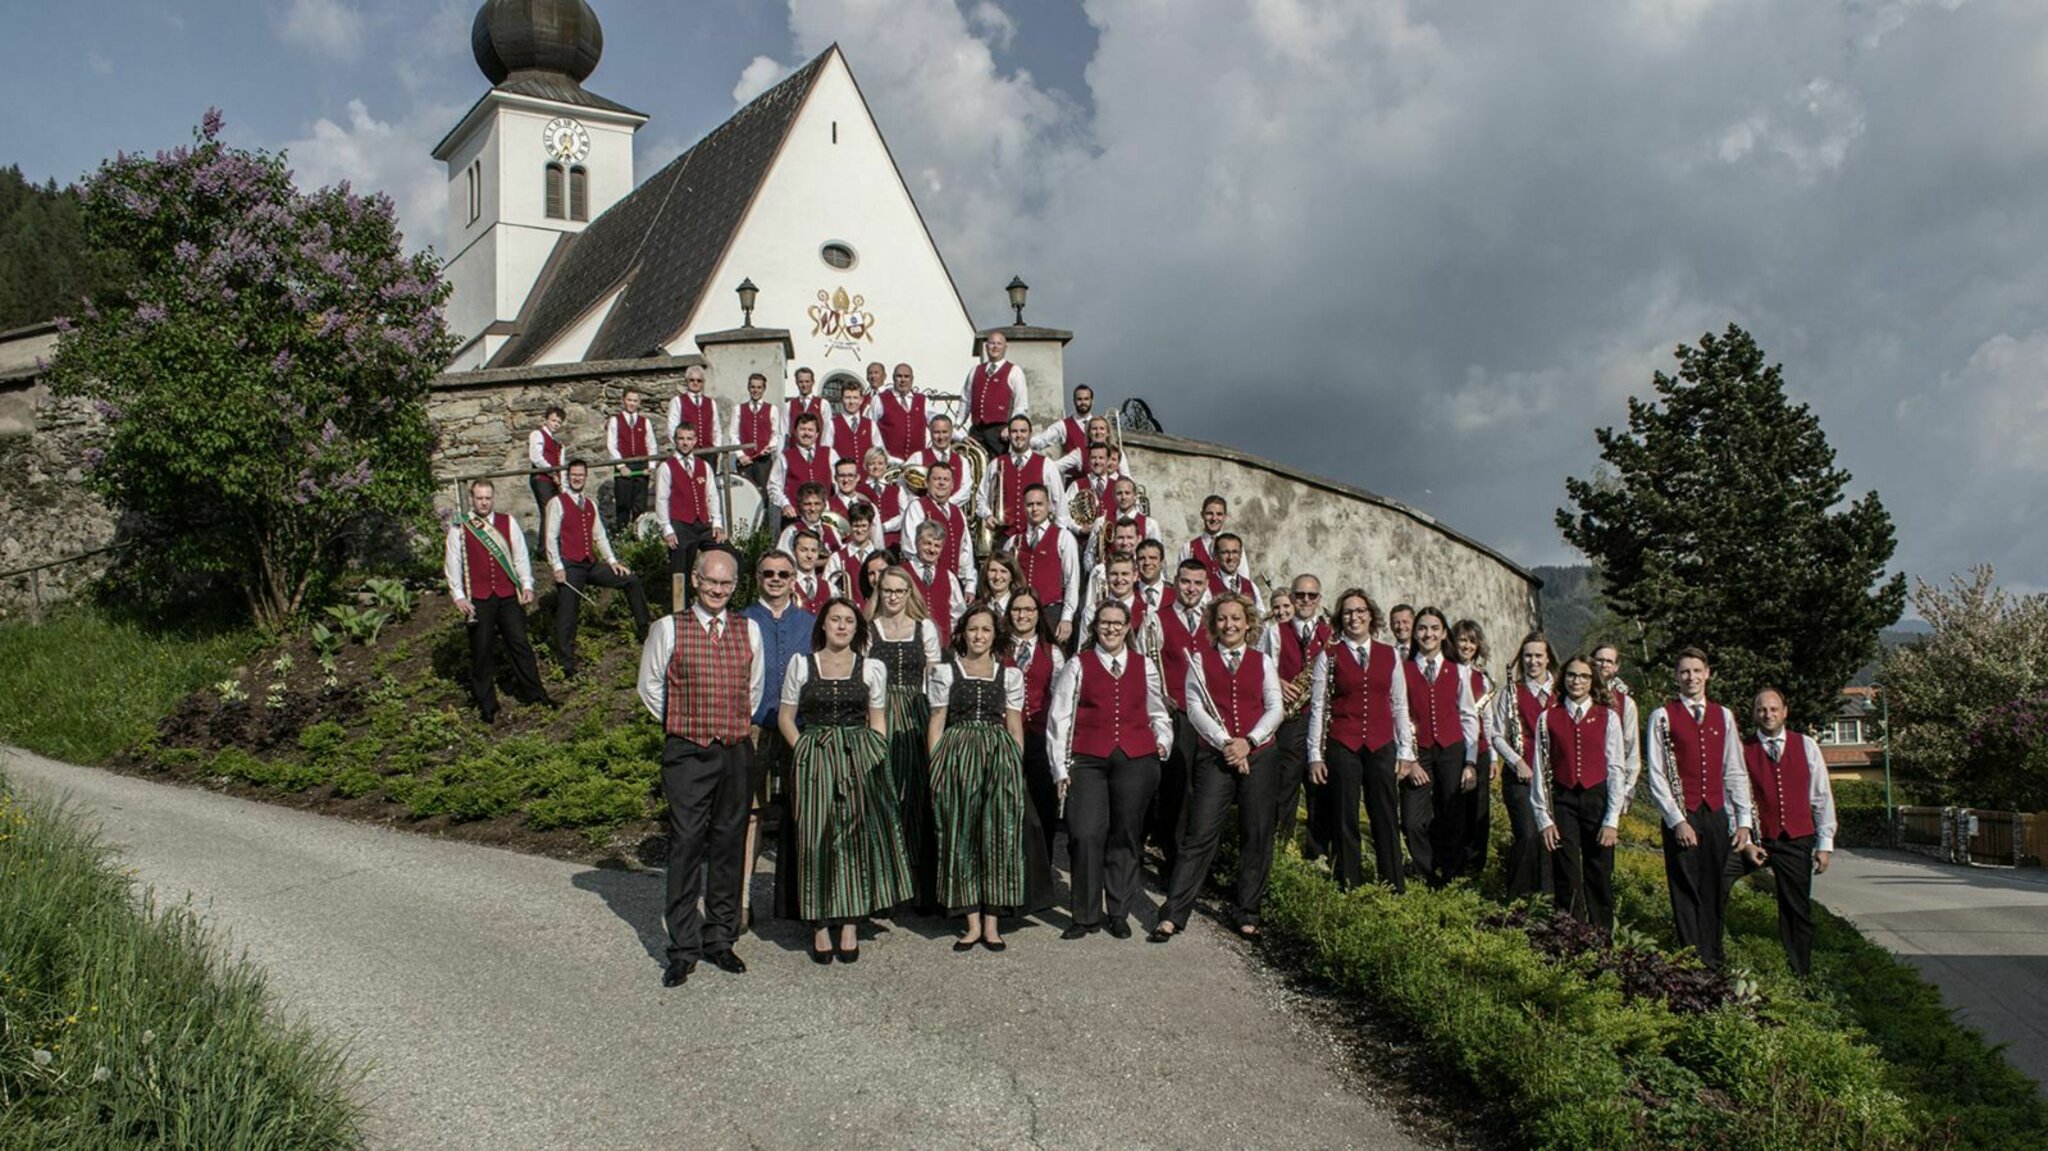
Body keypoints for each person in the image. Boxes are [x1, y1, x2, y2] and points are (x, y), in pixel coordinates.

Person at [636, 549, 761, 987]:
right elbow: (649, 686)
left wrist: (729, 726)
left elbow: (754, 686)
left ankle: (721, 939)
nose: (718, 590)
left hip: (734, 750)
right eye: (711, 581)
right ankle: (683, 947)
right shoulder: (668, 628)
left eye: (726, 584)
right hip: (687, 751)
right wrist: (682, 723)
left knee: (729, 844)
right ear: (695, 579)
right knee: (687, 844)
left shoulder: (749, 630)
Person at [777, 597, 912, 964]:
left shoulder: (871, 668)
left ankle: (851, 921)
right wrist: (803, 750)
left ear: (857, 628)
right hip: (815, 758)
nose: (841, 626)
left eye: (848, 621)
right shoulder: (801, 665)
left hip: (858, 756)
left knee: (852, 839)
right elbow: (787, 717)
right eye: (834, 619)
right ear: (822, 625)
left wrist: (874, 753)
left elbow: (878, 719)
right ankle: (820, 923)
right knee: (815, 837)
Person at [1152, 593, 1284, 943]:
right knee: (1199, 835)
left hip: (1259, 754)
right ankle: (1174, 913)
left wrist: (1248, 742)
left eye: (1236, 618)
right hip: (1215, 754)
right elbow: (1194, 709)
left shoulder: (1263, 661)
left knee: (1256, 835)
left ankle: (1247, 912)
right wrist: (1227, 742)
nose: (1229, 625)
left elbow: (1275, 708)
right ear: (1213, 624)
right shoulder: (1199, 660)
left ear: (1248, 623)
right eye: (1223, 619)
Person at [1047, 600, 1171, 939]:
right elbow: (1059, 718)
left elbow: (1158, 711)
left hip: (1136, 758)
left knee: (1125, 835)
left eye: (1118, 623)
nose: (1112, 628)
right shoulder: (1079, 664)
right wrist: (1060, 768)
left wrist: (1163, 740)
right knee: (1085, 833)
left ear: (1128, 627)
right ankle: (1084, 915)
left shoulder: (1143, 666)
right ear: (1095, 626)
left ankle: (1118, 912)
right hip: (1087, 758)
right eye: (1105, 623)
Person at [928, 603, 1045, 951]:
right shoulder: (946, 673)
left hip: (997, 758)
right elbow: (936, 723)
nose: (979, 636)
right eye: (973, 629)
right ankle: (971, 922)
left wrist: (1014, 766)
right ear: (962, 634)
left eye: (986, 630)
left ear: (996, 636)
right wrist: (935, 768)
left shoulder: (1009, 675)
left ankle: (992, 923)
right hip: (958, 757)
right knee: (961, 834)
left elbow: (1013, 726)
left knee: (997, 837)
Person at [1644, 647, 1755, 969]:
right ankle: (1691, 960)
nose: (1691, 677)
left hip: (1717, 813)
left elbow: (1734, 770)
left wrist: (1744, 822)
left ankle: (1713, 957)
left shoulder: (1724, 715)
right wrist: (1677, 821)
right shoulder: (1662, 716)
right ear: (1676, 677)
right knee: (1685, 887)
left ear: (1708, 674)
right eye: (1684, 672)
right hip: (1683, 813)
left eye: (1696, 671)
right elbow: (1657, 774)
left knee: (1715, 887)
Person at [1306, 589, 1414, 891]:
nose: (1354, 617)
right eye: (1348, 612)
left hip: (1381, 744)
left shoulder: (1389, 654)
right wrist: (1315, 753)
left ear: (1371, 615)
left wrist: (1406, 751)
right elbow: (1319, 706)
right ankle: (1348, 885)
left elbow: (1399, 704)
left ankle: (1393, 886)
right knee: (1345, 816)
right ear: (1341, 619)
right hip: (1344, 743)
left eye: (1360, 611)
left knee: (1385, 815)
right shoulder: (1329, 656)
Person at [1725, 688, 1837, 976]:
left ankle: (1800, 971)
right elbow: (1733, 797)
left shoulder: (1807, 745)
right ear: (1754, 714)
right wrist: (1747, 842)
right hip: (1757, 839)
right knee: (1715, 877)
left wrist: (1824, 844)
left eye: (1774, 709)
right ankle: (1715, 951)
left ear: (1785, 711)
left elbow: (1821, 796)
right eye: (1762, 709)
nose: (1768, 714)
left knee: (1796, 909)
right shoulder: (1742, 749)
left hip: (1796, 840)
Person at [741, 549, 815, 929]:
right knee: (751, 814)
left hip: (798, 726)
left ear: (793, 579)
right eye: (768, 573)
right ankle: (743, 899)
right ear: (758, 577)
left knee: (805, 811)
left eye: (783, 574)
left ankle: (805, 898)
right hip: (753, 725)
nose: (775, 579)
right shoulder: (742, 621)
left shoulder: (809, 623)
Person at [1529, 655, 1626, 932]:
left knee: (1599, 872)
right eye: (1572, 675)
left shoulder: (1608, 717)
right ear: (1563, 678)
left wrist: (1612, 819)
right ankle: (1570, 936)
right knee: (1566, 872)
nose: (1577, 681)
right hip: (1563, 799)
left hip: (1597, 799)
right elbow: (1540, 767)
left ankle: (1601, 939)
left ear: (1592, 680)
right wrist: (1544, 819)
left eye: (1584, 676)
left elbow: (1616, 767)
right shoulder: (1549, 717)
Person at [868, 565, 944, 911]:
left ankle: (915, 879)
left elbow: (933, 674)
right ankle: (885, 880)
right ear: (879, 593)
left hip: (915, 711)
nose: (894, 597)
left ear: (909, 593)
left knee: (915, 793)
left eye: (900, 591)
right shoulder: (869, 630)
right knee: (884, 794)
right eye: (888, 591)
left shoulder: (923, 627)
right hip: (881, 711)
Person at [444, 480, 553, 723]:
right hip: (479, 598)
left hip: (506, 595)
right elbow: (453, 563)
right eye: (480, 498)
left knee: (520, 645)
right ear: (472, 499)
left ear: (493, 498)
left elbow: (520, 555)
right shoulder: (460, 527)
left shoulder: (508, 522)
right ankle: (487, 705)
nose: (484, 502)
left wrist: (526, 584)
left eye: (488, 498)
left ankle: (537, 695)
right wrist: (459, 595)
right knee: (481, 652)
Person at [545, 459, 650, 678]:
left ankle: (644, 630)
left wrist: (612, 561)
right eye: (574, 475)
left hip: (590, 563)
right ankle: (567, 664)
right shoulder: (558, 503)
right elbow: (551, 537)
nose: (577, 478)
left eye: (581, 475)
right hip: (570, 565)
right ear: (567, 476)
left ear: (585, 477)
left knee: (630, 580)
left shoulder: (590, 504)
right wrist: (557, 566)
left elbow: (599, 535)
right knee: (567, 613)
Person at [1401, 607, 1480, 890]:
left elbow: (1469, 716)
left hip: (1452, 748)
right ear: (1415, 633)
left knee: (1452, 815)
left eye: (1434, 628)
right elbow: (1398, 714)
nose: (1428, 634)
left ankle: (1448, 876)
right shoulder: (1403, 669)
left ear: (1444, 633)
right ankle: (1425, 873)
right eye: (1422, 628)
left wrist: (1470, 762)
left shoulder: (1459, 671)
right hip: (1418, 751)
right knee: (1411, 820)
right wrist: (1409, 759)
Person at [1150, 559, 1212, 882]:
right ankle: (1173, 861)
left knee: (1204, 790)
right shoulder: (1157, 620)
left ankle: (1196, 862)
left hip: (1210, 719)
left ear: (1205, 587)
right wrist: (1162, 698)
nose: (1191, 589)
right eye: (1186, 582)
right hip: (1177, 715)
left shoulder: (1212, 621)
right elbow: (1149, 667)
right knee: (1178, 790)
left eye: (1197, 584)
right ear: (1176, 583)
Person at [1487, 632, 1559, 900]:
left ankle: (1550, 900)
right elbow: (1496, 734)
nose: (1533, 661)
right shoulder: (1511, 692)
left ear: (1547, 658)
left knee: (1551, 839)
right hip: (1521, 776)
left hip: (1554, 780)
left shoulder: (1561, 691)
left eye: (1538, 655)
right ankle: (1519, 901)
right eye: (1528, 656)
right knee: (1528, 835)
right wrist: (1516, 762)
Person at [1268, 574, 1330, 857]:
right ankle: (1279, 850)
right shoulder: (1275, 632)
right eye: (1300, 595)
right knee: (1285, 786)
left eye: (1312, 596)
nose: (1306, 600)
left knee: (1319, 790)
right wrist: (1278, 683)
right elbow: (1260, 667)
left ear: (1319, 599)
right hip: (1290, 718)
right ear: (1292, 598)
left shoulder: (1330, 635)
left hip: (1321, 720)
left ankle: (1316, 855)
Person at [1007, 589, 1066, 878]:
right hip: (1006, 735)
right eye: (1017, 609)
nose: (1023, 615)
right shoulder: (999, 648)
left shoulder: (1051, 652)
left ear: (1038, 614)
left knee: (1043, 805)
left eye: (1029, 610)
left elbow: (1060, 698)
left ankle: (1041, 871)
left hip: (1040, 736)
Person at [654, 422, 727, 595]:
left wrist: (717, 523)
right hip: (680, 524)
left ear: (695, 440)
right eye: (681, 439)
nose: (685, 443)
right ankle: (680, 611)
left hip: (702, 524)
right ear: (675, 441)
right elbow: (662, 499)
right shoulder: (666, 467)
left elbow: (712, 496)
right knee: (680, 571)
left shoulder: (704, 466)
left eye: (689, 439)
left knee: (731, 553)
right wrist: (667, 528)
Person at [1004, 483, 1079, 647]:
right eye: (1030, 505)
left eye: (1039, 504)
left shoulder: (1064, 538)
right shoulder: (1013, 542)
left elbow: (1071, 581)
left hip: (1051, 613)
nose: (1034, 509)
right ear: (1024, 508)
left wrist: (1067, 618)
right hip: (1020, 615)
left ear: (1049, 506)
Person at [1452, 619, 1495, 878]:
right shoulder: (1444, 671)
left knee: (1477, 809)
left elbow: (1487, 721)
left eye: (1471, 641)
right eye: (1462, 640)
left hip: (1478, 749)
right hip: (1451, 748)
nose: (1466, 645)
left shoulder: (1482, 680)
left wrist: (1492, 757)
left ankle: (1474, 866)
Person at [899, 461, 976, 602]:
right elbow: (909, 548)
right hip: (924, 581)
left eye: (946, 480)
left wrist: (969, 584)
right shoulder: (917, 507)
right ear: (927, 483)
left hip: (953, 585)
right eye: (936, 479)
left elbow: (965, 551)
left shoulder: (958, 512)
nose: (941, 483)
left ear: (952, 485)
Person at [980, 415, 1063, 546]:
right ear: (1009, 435)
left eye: (1023, 431)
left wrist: (1058, 536)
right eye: (1014, 431)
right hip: (1003, 537)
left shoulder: (1047, 465)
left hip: (1037, 538)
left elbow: (1059, 503)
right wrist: (987, 515)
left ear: (1030, 434)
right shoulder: (996, 464)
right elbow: (981, 497)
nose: (1019, 435)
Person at [1590, 643, 1644, 814]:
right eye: (1599, 660)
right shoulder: (1577, 697)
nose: (1604, 664)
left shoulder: (1626, 703)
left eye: (1609, 661)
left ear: (1616, 667)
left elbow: (1632, 747)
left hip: (1611, 782)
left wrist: (1627, 787)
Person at [963, 330, 1028, 456]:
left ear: (1005, 347)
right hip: (976, 430)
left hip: (998, 431)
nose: (995, 347)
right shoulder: (975, 371)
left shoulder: (1014, 371)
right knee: (974, 465)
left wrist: (1010, 427)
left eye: (999, 343)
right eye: (992, 343)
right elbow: (965, 400)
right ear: (986, 346)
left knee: (999, 466)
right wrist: (957, 425)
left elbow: (1021, 404)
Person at [904, 519, 967, 646]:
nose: (932, 550)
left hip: (942, 647)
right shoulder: (901, 573)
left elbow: (958, 614)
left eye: (937, 546)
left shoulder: (949, 577)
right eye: (928, 544)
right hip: (909, 645)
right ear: (917, 543)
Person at [769, 412, 834, 522]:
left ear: (817, 433)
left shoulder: (830, 454)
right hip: (796, 517)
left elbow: (838, 483)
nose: (806, 433)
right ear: (795, 432)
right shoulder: (784, 457)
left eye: (810, 430)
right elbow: (773, 487)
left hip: (825, 517)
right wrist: (785, 505)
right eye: (802, 429)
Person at [606, 387, 655, 527]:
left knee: (640, 507)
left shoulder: (645, 422)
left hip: (641, 467)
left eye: (635, 400)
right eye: (629, 400)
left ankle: (639, 539)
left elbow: (651, 445)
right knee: (623, 506)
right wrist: (621, 466)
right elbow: (611, 445)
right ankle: (623, 541)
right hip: (623, 467)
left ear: (639, 402)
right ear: (623, 401)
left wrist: (650, 466)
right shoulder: (615, 421)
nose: (632, 403)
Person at [728, 372, 782, 494]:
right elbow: (733, 434)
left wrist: (769, 448)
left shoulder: (772, 409)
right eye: (753, 387)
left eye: (759, 387)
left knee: (763, 491)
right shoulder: (738, 409)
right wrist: (740, 455)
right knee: (745, 492)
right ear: (748, 388)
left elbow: (776, 434)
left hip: (764, 461)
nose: (755, 390)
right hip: (745, 460)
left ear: (764, 389)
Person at [1181, 495, 1253, 587]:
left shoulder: (1236, 547)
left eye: (1219, 514)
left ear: (1225, 517)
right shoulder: (1189, 548)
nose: (1214, 518)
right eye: (1209, 513)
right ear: (1202, 515)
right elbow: (1182, 581)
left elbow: (1244, 579)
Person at [823, 504, 884, 608]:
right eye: (856, 526)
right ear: (850, 526)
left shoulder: (879, 557)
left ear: (870, 527)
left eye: (863, 526)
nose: (859, 530)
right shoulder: (838, 557)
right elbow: (827, 587)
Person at [527, 406, 567, 544]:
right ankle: (544, 549)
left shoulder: (559, 444)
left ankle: (553, 546)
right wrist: (551, 472)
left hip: (554, 481)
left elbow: (562, 467)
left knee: (556, 513)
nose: (555, 424)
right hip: (541, 479)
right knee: (548, 512)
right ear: (546, 420)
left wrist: (563, 484)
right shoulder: (537, 434)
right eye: (553, 420)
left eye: (559, 422)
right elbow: (536, 457)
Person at [873, 362, 928, 462]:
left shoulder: (923, 401)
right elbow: (870, 429)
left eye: (906, 376)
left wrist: (961, 437)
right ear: (893, 378)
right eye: (899, 376)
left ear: (912, 379)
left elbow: (940, 422)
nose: (903, 380)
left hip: (917, 464)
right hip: (888, 463)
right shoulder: (880, 399)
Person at [1029, 382, 1094, 458]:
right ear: (1074, 401)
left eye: (1086, 399)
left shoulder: (1100, 426)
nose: (1083, 402)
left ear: (1092, 401)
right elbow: (1041, 440)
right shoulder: (1063, 426)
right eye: (1079, 399)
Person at [1208, 534, 1265, 613]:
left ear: (1240, 554)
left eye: (1235, 552)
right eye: (1225, 552)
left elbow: (1261, 618)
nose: (1230, 557)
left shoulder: (1251, 586)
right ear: (1216, 555)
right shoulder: (1207, 586)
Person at [666, 368, 719, 449]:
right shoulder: (677, 401)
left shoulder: (711, 403)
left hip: (709, 451)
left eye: (699, 380)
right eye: (692, 380)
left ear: (703, 383)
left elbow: (716, 429)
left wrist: (717, 448)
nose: (695, 383)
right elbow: (672, 428)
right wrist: (681, 448)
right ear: (687, 381)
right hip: (687, 452)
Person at [829, 383, 878, 469]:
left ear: (861, 400)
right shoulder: (831, 424)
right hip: (843, 479)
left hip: (866, 478)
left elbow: (879, 451)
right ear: (841, 399)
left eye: (855, 398)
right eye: (847, 398)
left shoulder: (870, 424)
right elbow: (826, 454)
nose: (851, 402)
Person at [789, 530, 832, 616]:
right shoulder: (786, 585)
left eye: (813, 551)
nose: (809, 556)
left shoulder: (831, 588)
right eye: (803, 550)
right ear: (794, 552)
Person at [975, 551, 1023, 619]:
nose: (997, 577)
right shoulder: (977, 607)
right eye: (993, 570)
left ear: (1012, 576)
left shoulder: (1020, 607)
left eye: (1003, 571)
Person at [788, 366, 827, 432]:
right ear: (796, 383)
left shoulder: (823, 404)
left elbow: (827, 431)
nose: (804, 385)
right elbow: (784, 432)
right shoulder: (788, 406)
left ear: (813, 382)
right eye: (801, 382)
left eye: (807, 381)